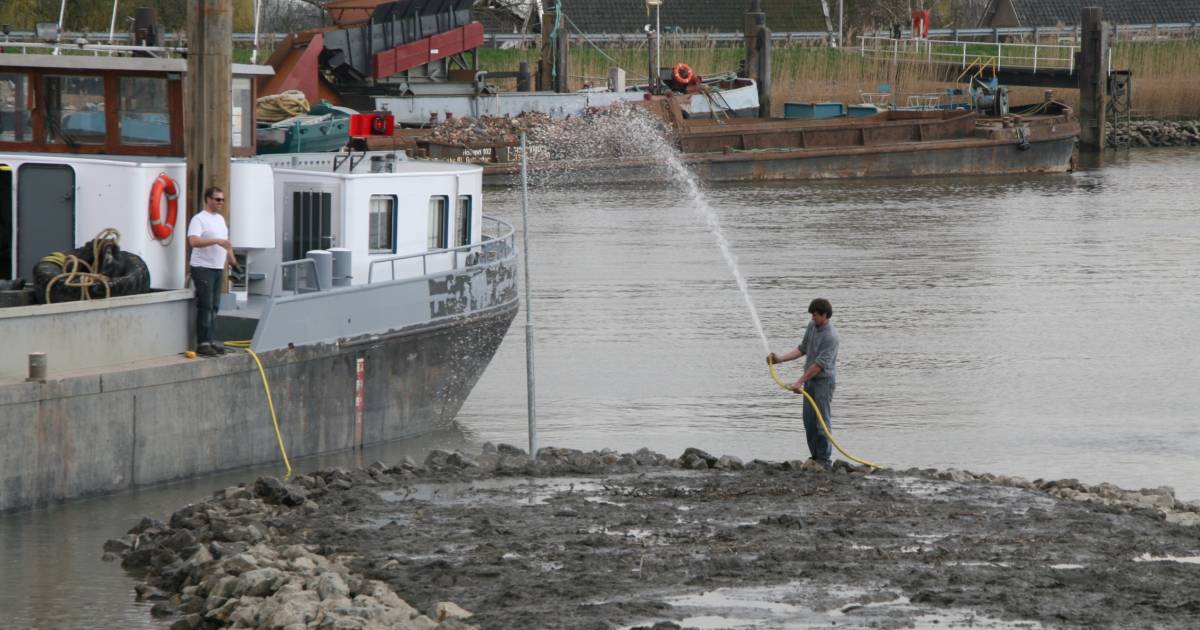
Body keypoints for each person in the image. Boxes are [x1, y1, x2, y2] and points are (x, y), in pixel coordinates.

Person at [767, 298, 841, 469]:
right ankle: (814, 456)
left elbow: (818, 366)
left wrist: (799, 381)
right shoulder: (812, 327)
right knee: (808, 420)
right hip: (810, 382)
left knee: (821, 421)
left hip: (823, 382)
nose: (812, 318)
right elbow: (802, 349)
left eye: (815, 315)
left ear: (825, 315)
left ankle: (824, 460)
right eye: (811, 315)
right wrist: (779, 359)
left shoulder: (832, 337)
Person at [186, 186, 235, 357]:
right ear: (208, 199)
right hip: (202, 267)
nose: (220, 202)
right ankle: (203, 343)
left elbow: (226, 244)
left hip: (217, 267)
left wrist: (233, 262)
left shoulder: (221, 219)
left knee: (214, 306)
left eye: (222, 199)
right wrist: (215, 241)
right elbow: (193, 241)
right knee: (205, 305)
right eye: (217, 199)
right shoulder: (199, 219)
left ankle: (211, 341)